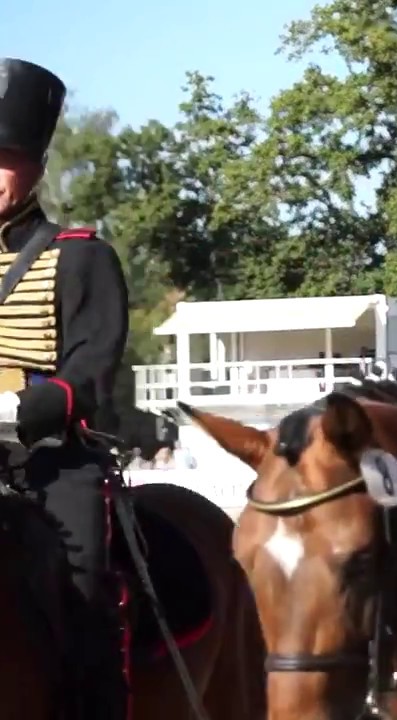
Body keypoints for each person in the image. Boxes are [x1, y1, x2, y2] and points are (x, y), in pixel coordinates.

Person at [0, 58, 130, 719]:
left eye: (6, 158)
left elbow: (90, 367)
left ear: (38, 167)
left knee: (78, 586)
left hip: (48, 460)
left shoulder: (81, 255)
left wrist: (16, 409)